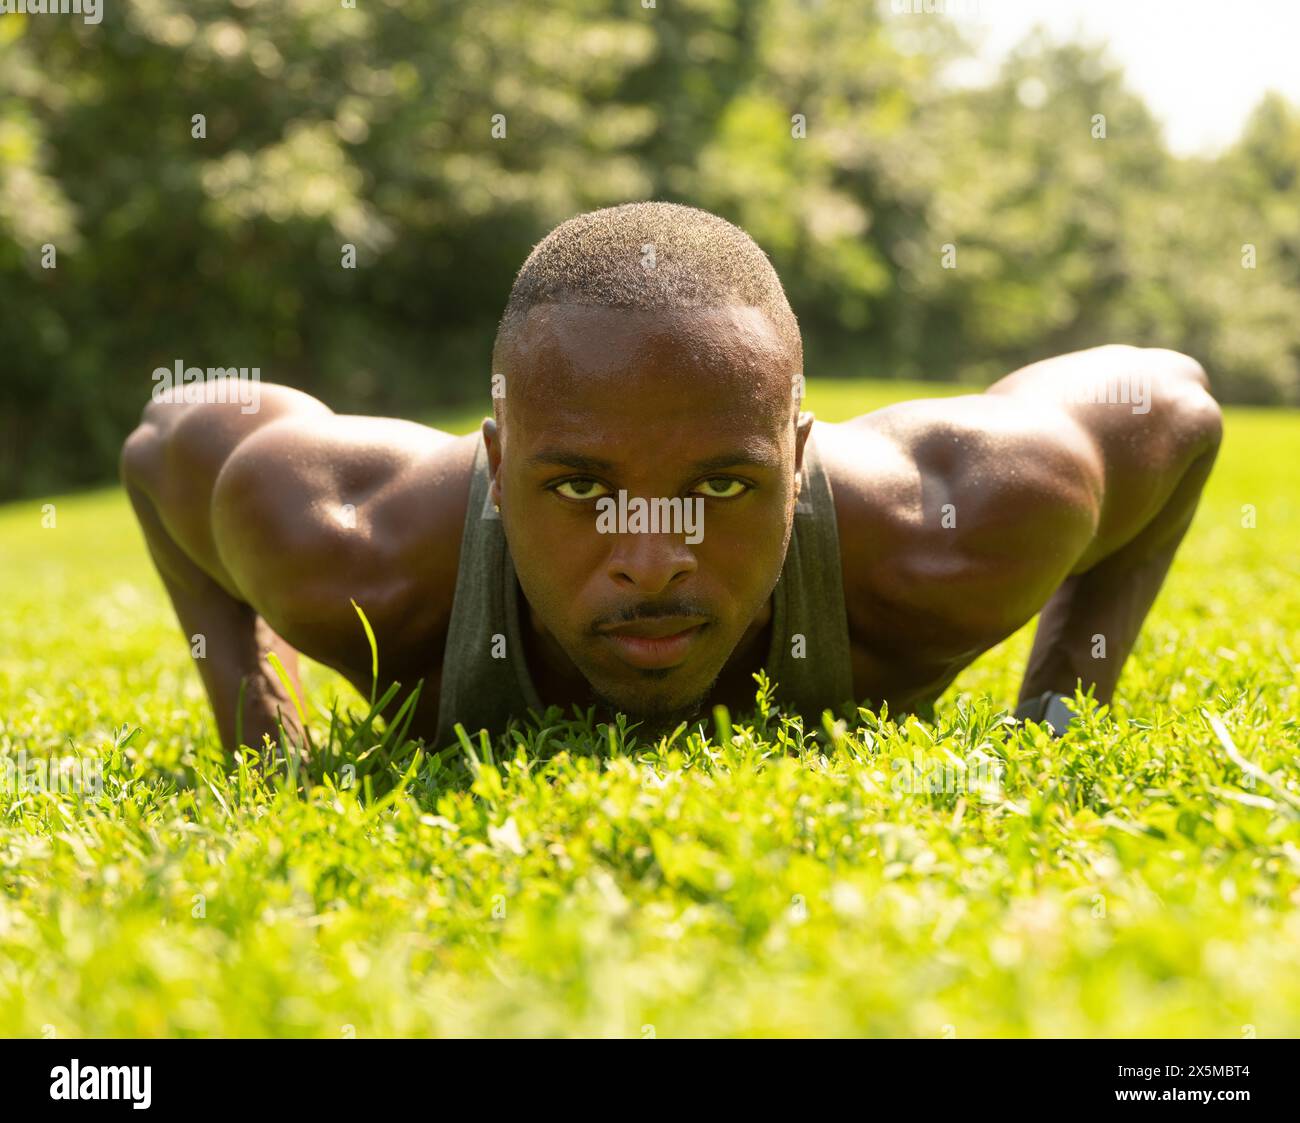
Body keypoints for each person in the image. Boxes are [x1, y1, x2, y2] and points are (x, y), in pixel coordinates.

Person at [120, 202, 1222, 751]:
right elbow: (167, 435)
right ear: (499, 470)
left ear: (795, 463)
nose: (652, 562)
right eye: (580, 488)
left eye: (724, 487)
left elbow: (1172, 403)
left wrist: (1061, 710)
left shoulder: (953, 533)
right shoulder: (346, 542)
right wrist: (257, 719)